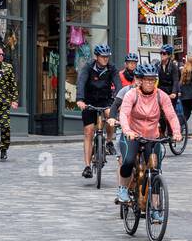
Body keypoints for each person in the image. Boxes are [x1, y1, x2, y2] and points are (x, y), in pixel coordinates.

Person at [116, 62, 180, 221]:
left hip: (152, 137)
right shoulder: (132, 95)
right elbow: (123, 114)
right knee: (128, 161)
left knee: (155, 171)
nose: (150, 83)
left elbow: (171, 115)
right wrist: (128, 131)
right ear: (141, 80)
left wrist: (177, 132)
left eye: (153, 80)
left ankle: (155, 209)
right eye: (147, 80)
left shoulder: (161, 95)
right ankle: (123, 189)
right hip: (133, 136)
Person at [76, 44, 120, 178]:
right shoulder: (88, 67)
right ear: (96, 57)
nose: (105, 59)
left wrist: (120, 99)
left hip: (105, 100)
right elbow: (81, 82)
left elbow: (118, 84)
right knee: (88, 132)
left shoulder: (111, 68)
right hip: (89, 101)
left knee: (109, 115)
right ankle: (87, 166)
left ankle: (109, 142)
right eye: (103, 57)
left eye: (107, 57)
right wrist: (80, 99)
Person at [157, 44, 182, 122]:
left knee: (170, 113)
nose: (162, 55)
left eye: (164, 53)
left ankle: (171, 132)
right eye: (161, 53)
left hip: (171, 90)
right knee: (160, 113)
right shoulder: (158, 65)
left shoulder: (173, 66)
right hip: (161, 90)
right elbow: (156, 79)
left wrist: (174, 92)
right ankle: (163, 132)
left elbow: (175, 80)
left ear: (169, 55)